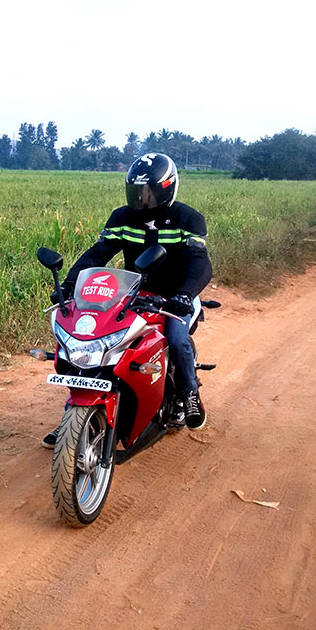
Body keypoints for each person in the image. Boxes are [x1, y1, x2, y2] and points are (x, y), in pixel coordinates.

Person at [42, 153, 213, 448]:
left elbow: (200, 262)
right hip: (133, 292)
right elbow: (98, 253)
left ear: (168, 188)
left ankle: (189, 392)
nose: (142, 200)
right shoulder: (122, 217)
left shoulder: (188, 219)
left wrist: (185, 295)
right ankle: (76, 411)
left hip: (175, 296)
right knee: (97, 341)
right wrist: (70, 286)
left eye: (149, 193)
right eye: (137, 192)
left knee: (176, 337)